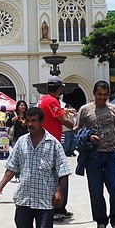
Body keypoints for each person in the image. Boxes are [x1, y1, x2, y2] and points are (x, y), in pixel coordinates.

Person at [74, 80, 115, 228]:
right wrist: (89, 137)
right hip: (93, 156)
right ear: (94, 94)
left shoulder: (114, 110)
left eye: (105, 95)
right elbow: (77, 131)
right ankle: (101, 221)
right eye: (100, 95)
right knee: (96, 192)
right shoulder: (85, 110)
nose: (102, 98)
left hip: (111, 154)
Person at [38, 75, 75, 220]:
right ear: (59, 89)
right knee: (62, 176)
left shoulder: (43, 99)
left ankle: (55, 207)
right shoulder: (52, 101)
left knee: (51, 176)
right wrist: (78, 128)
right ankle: (58, 208)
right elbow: (63, 120)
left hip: (45, 142)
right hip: (52, 144)